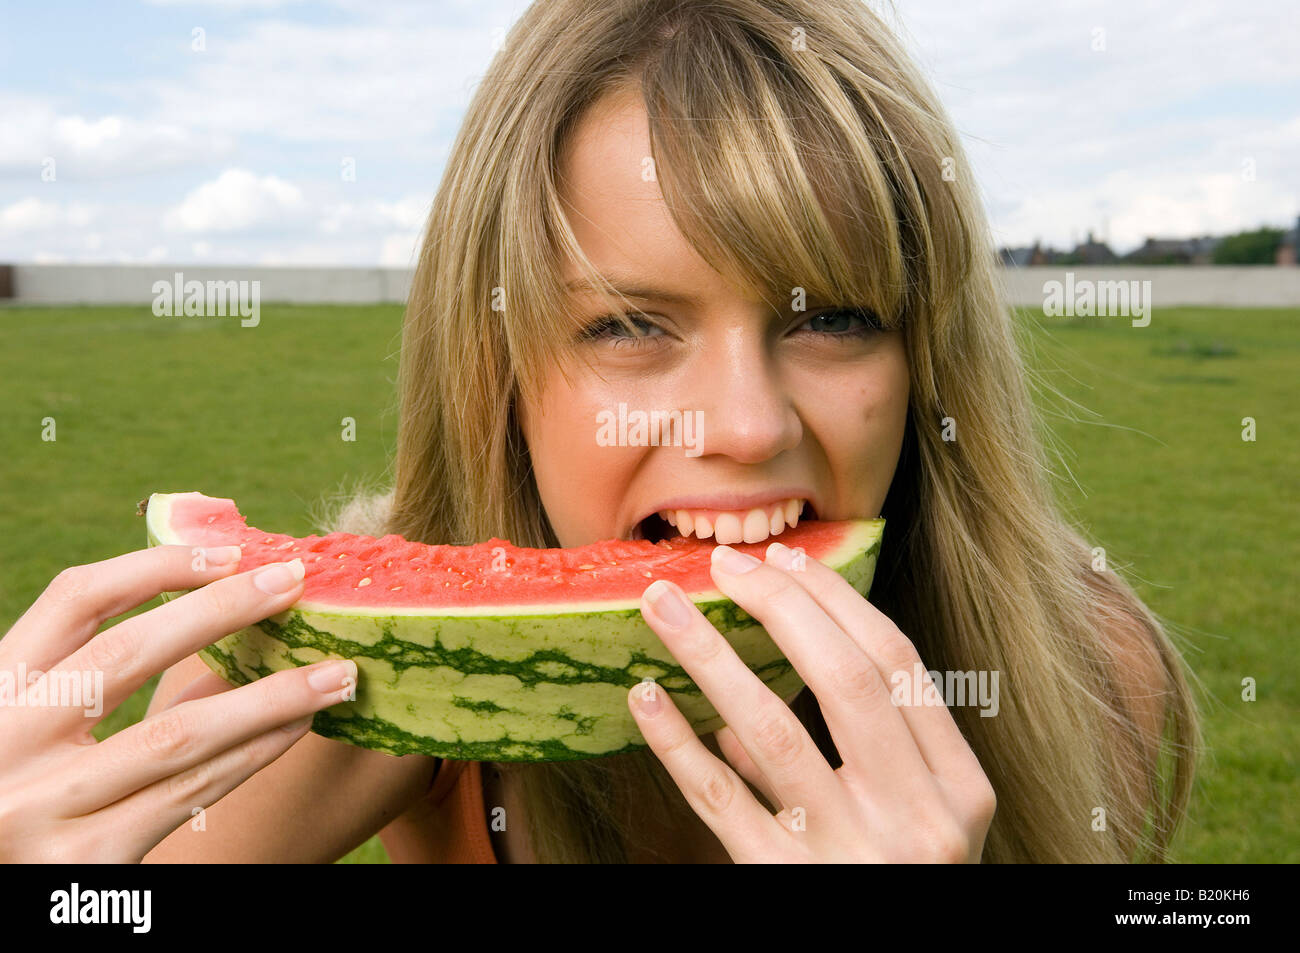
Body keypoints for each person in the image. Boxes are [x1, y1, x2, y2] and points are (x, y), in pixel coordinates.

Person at [0, 0, 1197, 863]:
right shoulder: (345, 669)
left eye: (831, 316)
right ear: (496, 368)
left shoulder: (1079, 673)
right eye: (629, 324)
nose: (745, 423)